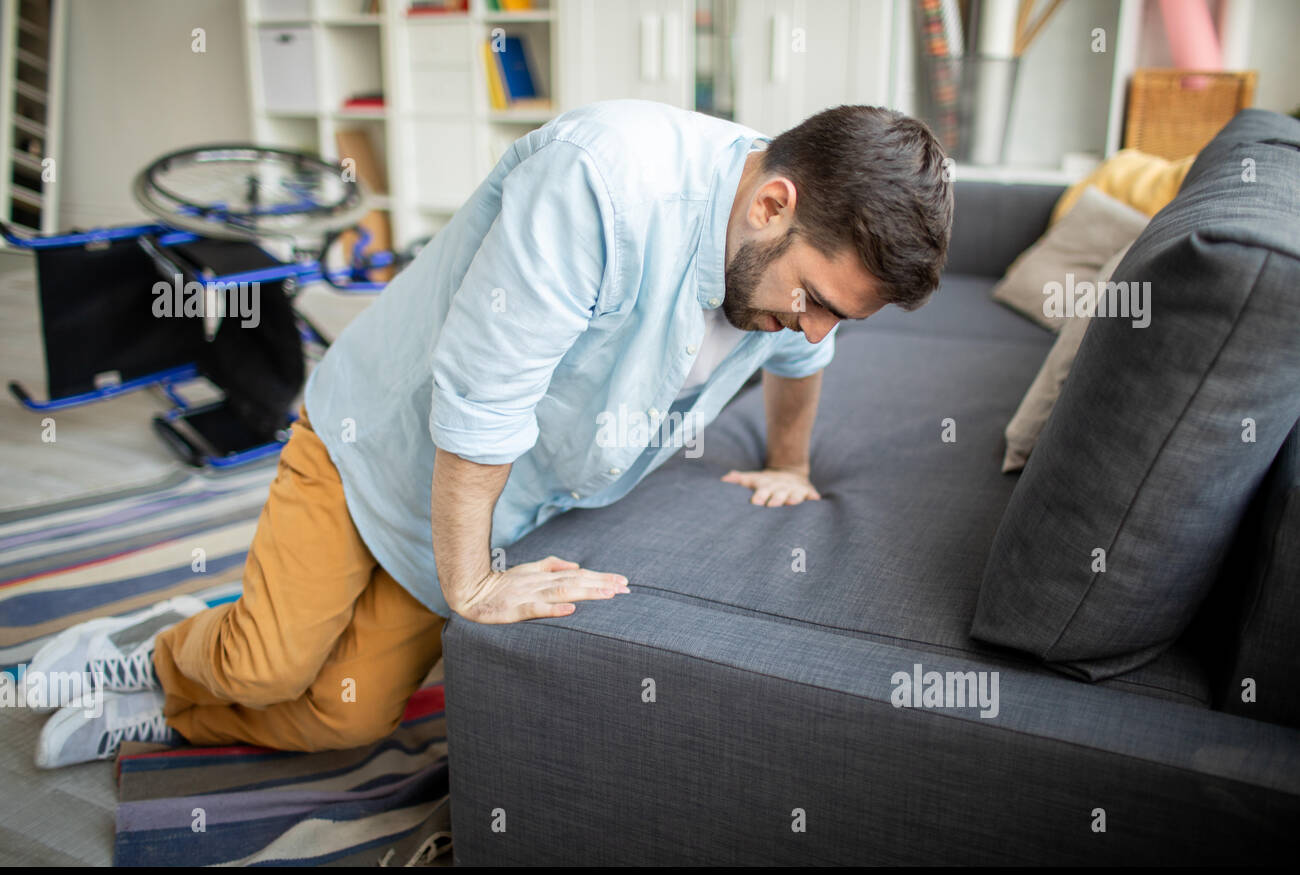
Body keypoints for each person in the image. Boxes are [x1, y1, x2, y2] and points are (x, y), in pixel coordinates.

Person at [30, 98, 953, 768]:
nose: (818, 330)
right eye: (817, 302)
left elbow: (801, 362)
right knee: (270, 664)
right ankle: (150, 650)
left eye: (847, 319)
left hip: (499, 502)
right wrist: (469, 585)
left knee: (346, 720)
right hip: (378, 445)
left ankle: (172, 710)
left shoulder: (787, 285)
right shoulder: (602, 179)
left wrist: (789, 463)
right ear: (771, 206)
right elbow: (483, 397)